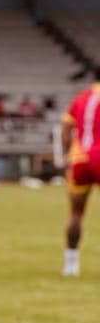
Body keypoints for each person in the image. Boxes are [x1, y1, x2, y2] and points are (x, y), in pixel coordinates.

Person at [58, 68, 100, 277]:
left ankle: (71, 265)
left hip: (80, 159)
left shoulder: (81, 98)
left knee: (76, 214)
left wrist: (67, 156)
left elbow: (66, 131)